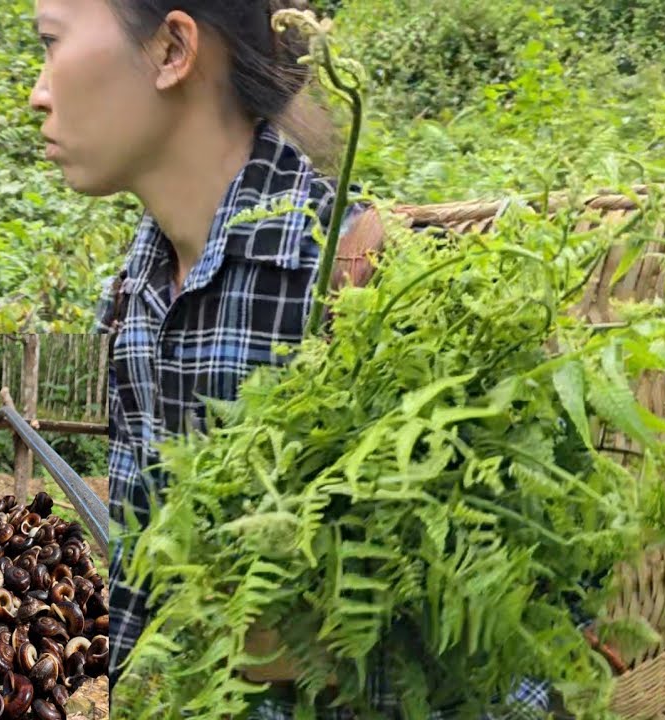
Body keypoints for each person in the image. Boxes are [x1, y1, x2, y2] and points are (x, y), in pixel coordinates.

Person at [30, 1, 549, 718]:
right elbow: (138, 595)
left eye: (51, 43)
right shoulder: (132, 299)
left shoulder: (372, 280)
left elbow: (509, 633)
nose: (39, 90)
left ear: (172, 50)